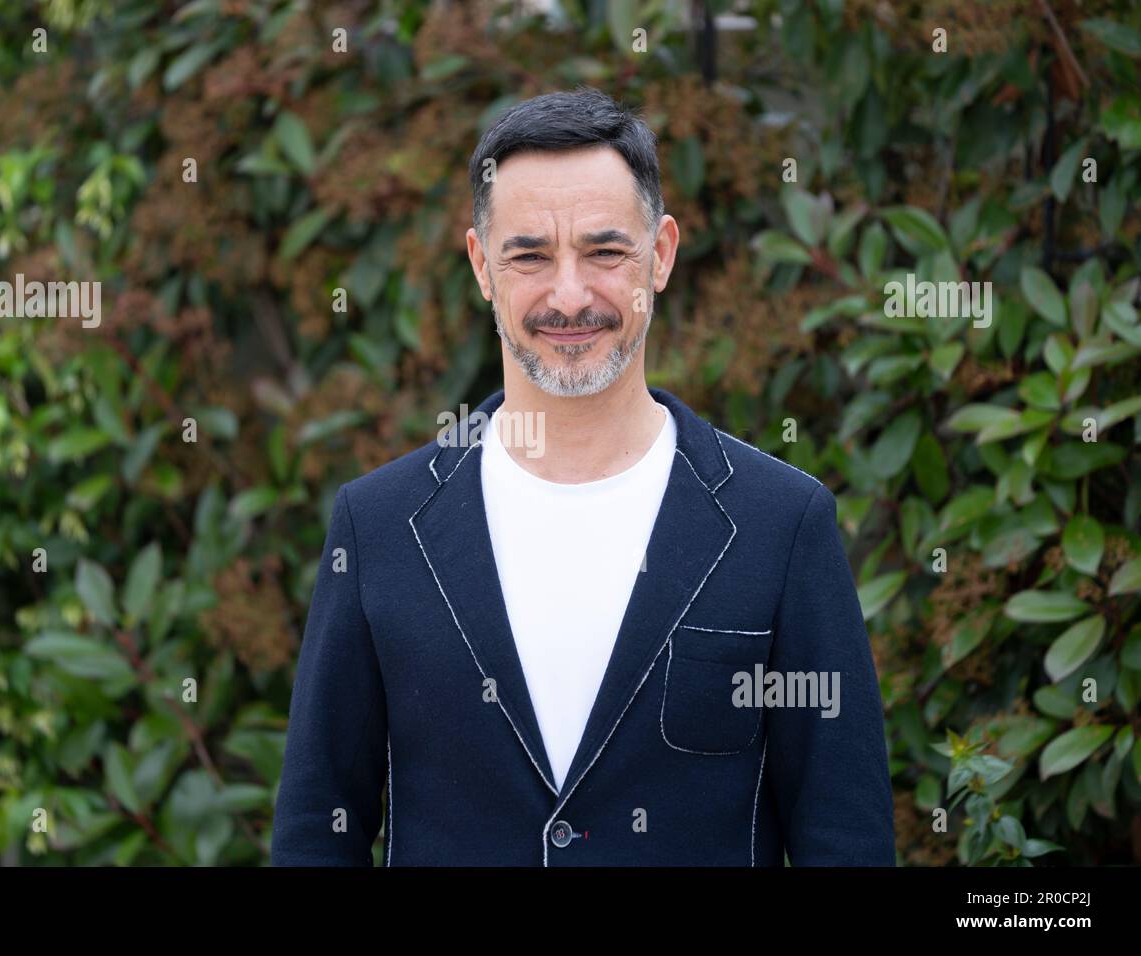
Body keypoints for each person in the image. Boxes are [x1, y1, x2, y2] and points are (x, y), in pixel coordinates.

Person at [270, 86, 895, 866]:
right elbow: (314, 833)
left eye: (605, 252)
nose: (570, 296)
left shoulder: (784, 526)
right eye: (530, 255)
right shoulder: (378, 526)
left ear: (660, 255)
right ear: (481, 266)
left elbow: (847, 841)